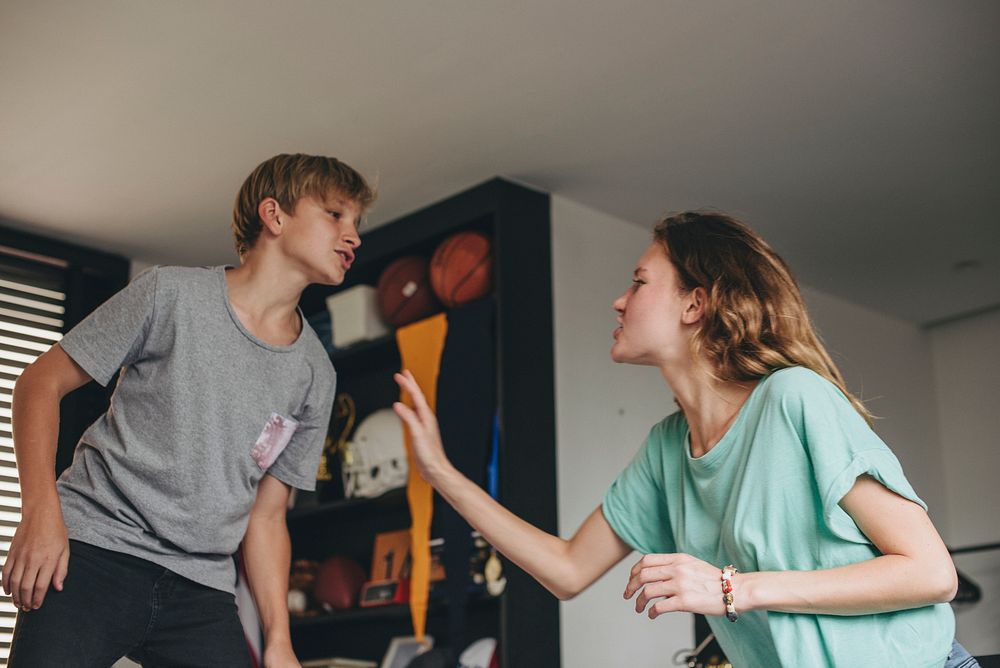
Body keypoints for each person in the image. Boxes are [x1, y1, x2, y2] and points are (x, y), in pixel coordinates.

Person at [393, 211, 977, 667]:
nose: (619, 300)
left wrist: (730, 588)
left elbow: (931, 573)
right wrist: (441, 471)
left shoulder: (794, 398)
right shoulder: (667, 449)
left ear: (696, 303)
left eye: (640, 282)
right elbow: (566, 570)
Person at [3, 153, 375, 667]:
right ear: (274, 215)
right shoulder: (170, 294)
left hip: (201, 588)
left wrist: (279, 640)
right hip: (93, 551)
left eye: (357, 223)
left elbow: (267, 517)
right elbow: (39, 384)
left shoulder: (315, 372)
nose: (353, 235)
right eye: (336, 215)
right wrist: (41, 516)